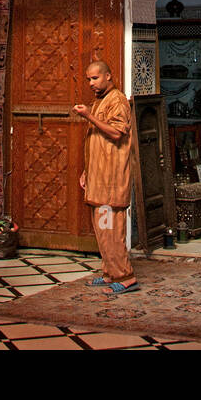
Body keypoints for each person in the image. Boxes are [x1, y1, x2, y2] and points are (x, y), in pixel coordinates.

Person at [73, 60, 138, 294]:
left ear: (108, 76)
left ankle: (125, 277)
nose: (91, 83)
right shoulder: (100, 100)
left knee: (112, 229)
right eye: (89, 79)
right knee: (102, 228)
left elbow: (116, 133)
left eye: (95, 78)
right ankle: (110, 272)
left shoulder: (118, 100)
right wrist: (87, 171)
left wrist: (89, 116)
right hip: (98, 177)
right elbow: (96, 139)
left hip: (111, 179)